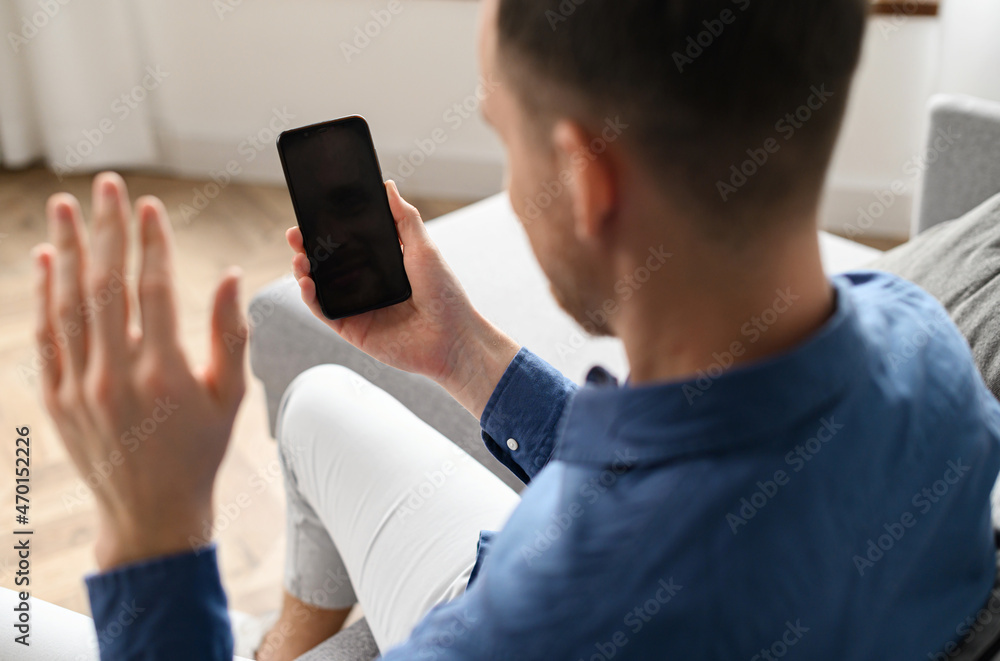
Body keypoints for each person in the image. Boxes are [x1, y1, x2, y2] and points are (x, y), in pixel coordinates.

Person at [32, 0, 1000, 658]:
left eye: (502, 134)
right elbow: (666, 471)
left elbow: (604, 555)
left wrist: (151, 533)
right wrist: (468, 355)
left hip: (520, 586)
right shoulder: (928, 347)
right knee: (322, 402)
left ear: (585, 182)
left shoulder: (547, 619)